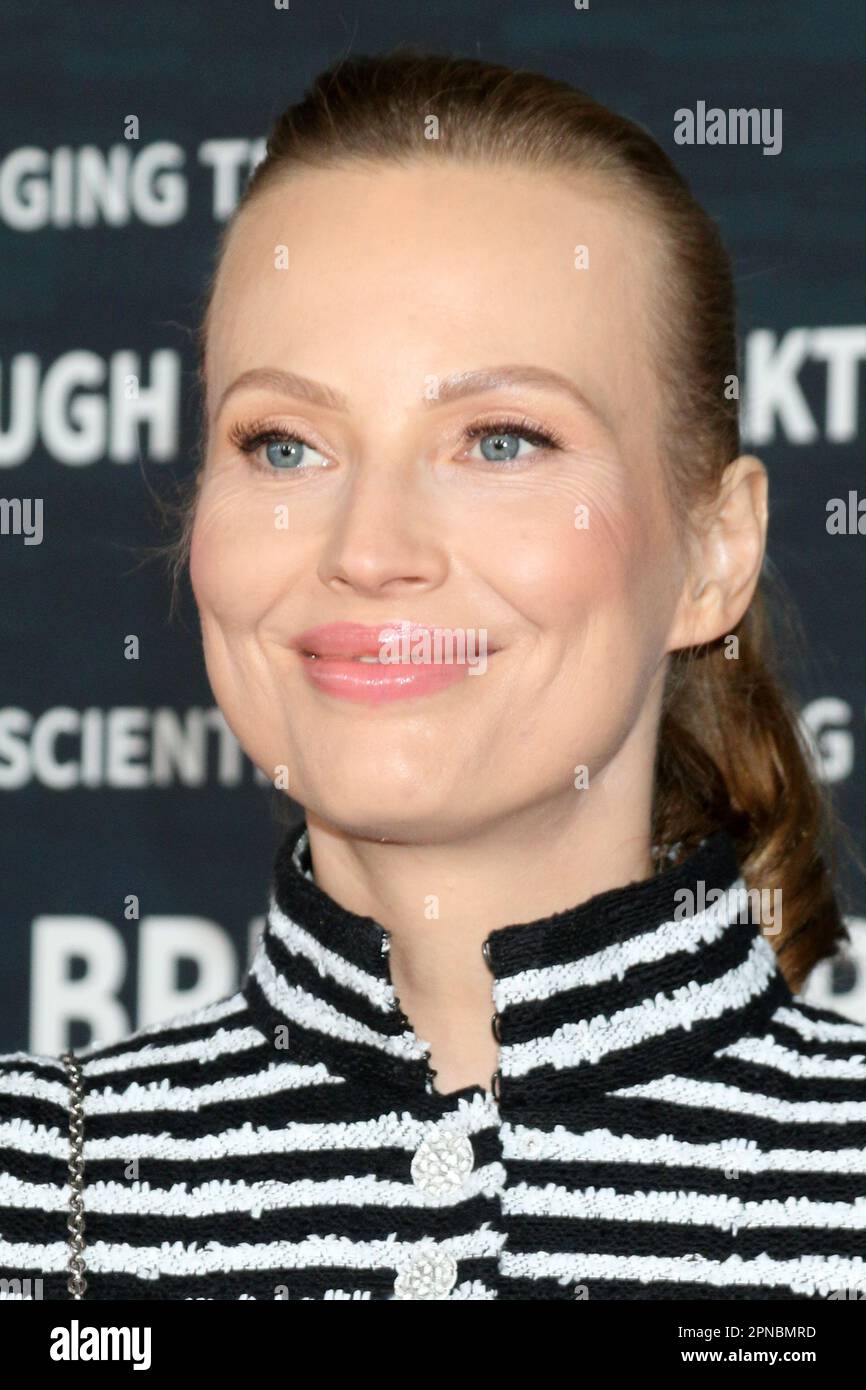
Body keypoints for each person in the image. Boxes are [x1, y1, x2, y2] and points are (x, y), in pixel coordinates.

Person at [2, 49, 865, 1303]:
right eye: (283, 443)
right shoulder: (42, 1198)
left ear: (713, 553)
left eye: (499, 440)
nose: (368, 549)